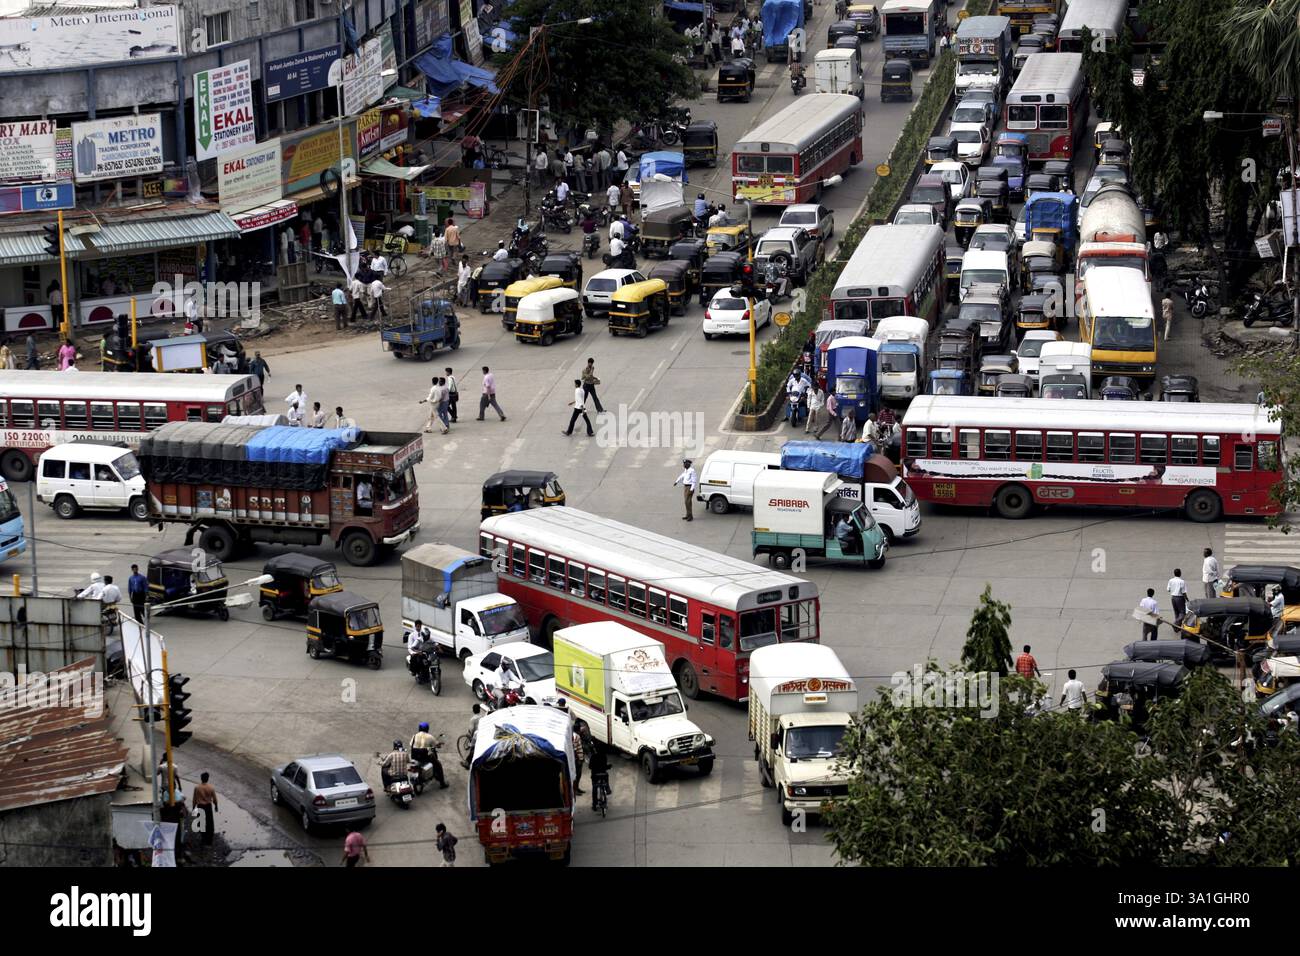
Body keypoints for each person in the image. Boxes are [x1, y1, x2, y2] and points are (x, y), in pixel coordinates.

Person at [410, 722, 448, 788]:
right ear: (427, 729)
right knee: (438, 765)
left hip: (415, 756)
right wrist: (439, 745)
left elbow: (411, 744)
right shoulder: (430, 737)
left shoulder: (414, 736)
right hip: (425, 757)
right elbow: (436, 744)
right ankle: (442, 783)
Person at [192, 772, 219, 847]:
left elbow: (194, 799)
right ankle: (209, 841)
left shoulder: (197, 788)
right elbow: (214, 799)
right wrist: (216, 806)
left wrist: (193, 808)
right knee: (210, 824)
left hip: (200, 806)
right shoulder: (211, 788)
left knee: (201, 824)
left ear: (201, 778)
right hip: (208, 807)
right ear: (207, 778)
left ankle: (203, 839)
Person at [571, 726, 587, 795]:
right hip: (577, 760)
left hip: (579, 759)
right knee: (577, 775)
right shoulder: (576, 736)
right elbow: (574, 749)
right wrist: (578, 759)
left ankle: (577, 788)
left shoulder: (576, 735)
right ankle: (575, 790)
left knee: (579, 775)